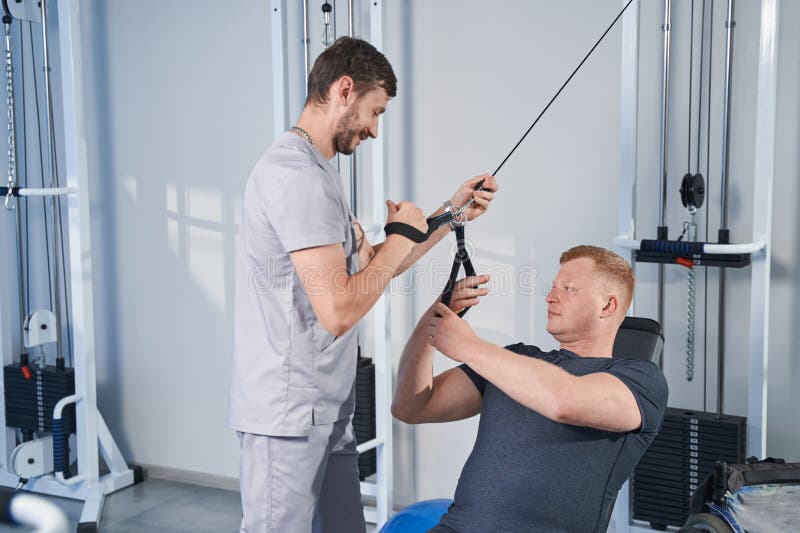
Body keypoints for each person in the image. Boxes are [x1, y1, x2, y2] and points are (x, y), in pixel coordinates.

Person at [228, 36, 498, 533]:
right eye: (375, 112)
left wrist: (449, 214)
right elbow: (338, 310)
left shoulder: (319, 173)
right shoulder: (295, 176)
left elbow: (371, 268)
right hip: (288, 416)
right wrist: (400, 236)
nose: (375, 129)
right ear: (344, 90)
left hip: (327, 412)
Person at [392, 245, 668, 533]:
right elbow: (411, 407)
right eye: (553, 287)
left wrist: (470, 347)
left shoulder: (640, 379)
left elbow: (565, 402)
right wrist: (433, 319)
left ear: (607, 306)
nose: (550, 297)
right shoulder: (515, 359)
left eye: (568, 289)